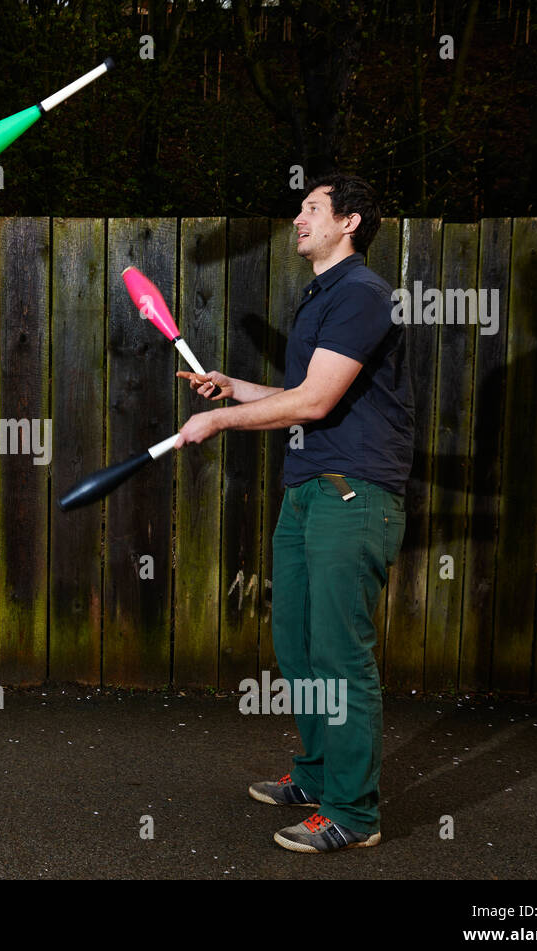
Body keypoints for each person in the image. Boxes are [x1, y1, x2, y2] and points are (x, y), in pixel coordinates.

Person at [175, 173, 414, 852]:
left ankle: (354, 812)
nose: (298, 218)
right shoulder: (322, 295)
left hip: (354, 491)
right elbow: (305, 390)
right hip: (309, 487)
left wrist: (221, 423)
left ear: (351, 221)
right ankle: (316, 774)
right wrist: (233, 386)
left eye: (312, 209)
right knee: (299, 645)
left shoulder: (364, 294)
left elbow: (311, 406)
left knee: (341, 655)